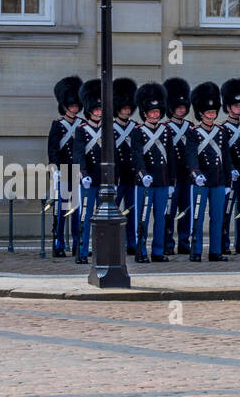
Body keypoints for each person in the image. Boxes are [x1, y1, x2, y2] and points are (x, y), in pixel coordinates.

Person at [187, 81, 229, 263]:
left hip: (218, 181)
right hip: (201, 181)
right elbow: (191, 156)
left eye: (214, 112)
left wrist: (228, 181)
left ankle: (215, 251)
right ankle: (195, 251)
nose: (212, 115)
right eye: (209, 112)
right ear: (201, 113)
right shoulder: (194, 133)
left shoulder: (221, 132)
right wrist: (196, 173)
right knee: (197, 218)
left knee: (217, 218)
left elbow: (226, 158)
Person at [133, 82, 173, 264]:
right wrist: (142, 173)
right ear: (145, 113)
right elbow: (137, 154)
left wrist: (171, 181)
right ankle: (141, 251)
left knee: (161, 219)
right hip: (145, 183)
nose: (155, 114)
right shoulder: (138, 132)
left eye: (157, 112)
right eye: (152, 112)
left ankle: (158, 250)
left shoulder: (166, 131)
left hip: (162, 182)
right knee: (142, 218)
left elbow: (170, 156)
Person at [48, 75, 83, 258]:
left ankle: (78, 244)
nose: (74, 108)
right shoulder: (58, 125)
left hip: (77, 172)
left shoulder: (81, 126)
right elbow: (52, 150)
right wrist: (54, 169)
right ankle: (58, 243)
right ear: (64, 106)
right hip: (62, 171)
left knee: (77, 210)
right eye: (71, 106)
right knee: (61, 210)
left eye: (76, 106)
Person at [220, 77, 240, 257]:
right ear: (228, 107)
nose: (239, 109)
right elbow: (224, 152)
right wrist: (230, 168)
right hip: (230, 175)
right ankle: (224, 243)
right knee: (226, 211)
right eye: (236, 106)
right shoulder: (223, 128)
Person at [73, 79, 104, 264]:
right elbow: (78, 154)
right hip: (88, 179)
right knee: (85, 217)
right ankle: (82, 252)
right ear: (90, 111)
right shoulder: (82, 130)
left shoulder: (109, 128)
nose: (99, 112)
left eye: (101, 109)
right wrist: (83, 174)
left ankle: (101, 250)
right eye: (96, 109)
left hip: (103, 180)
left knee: (103, 220)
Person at [162, 77, 194, 257]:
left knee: (186, 211)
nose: (181, 109)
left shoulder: (190, 127)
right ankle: (168, 242)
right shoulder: (166, 128)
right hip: (172, 176)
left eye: (183, 107)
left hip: (187, 175)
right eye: (178, 107)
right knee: (170, 211)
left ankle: (184, 241)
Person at [111, 77, 141, 255]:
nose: (126, 111)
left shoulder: (135, 128)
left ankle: (132, 243)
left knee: (132, 212)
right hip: (116, 177)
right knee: (112, 213)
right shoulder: (110, 128)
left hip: (131, 176)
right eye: (123, 108)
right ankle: (114, 242)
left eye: (129, 108)